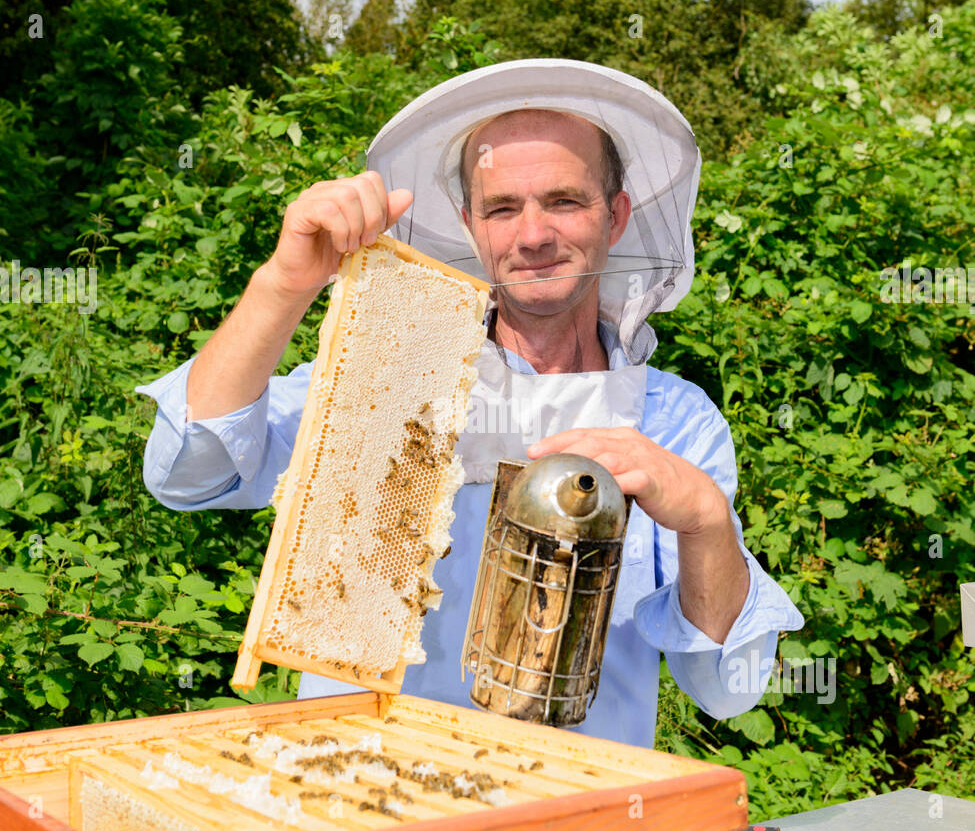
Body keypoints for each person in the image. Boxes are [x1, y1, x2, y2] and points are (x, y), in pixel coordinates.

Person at [138, 59, 803, 747]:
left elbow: (729, 686)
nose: (534, 234)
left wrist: (703, 520)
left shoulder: (676, 421)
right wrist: (283, 282)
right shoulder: (386, 380)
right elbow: (192, 471)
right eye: (502, 208)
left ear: (617, 214)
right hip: (361, 795)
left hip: (569, 813)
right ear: (469, 223)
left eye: (564, 201)